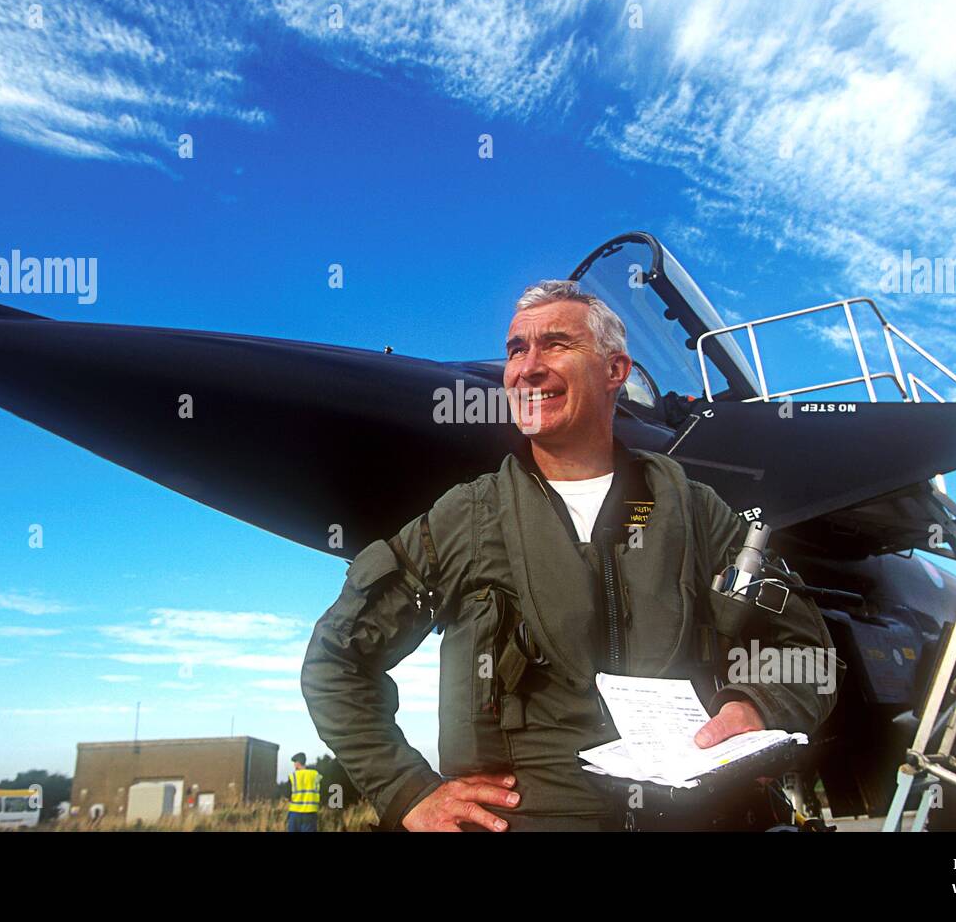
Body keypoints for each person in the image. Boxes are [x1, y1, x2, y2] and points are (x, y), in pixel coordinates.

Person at [302, 280, 836, 831]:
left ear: (615, 371)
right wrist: (407, 790)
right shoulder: (469, 516)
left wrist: (757, 705)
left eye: (555, 344)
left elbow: (808, 651)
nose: (526, 368)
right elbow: (337, 661)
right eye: (516, 350)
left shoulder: (697, 513)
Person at [285, 752, 321, 832]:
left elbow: (287, 794)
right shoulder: (315, 774)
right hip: (310, 813)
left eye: (294, 763)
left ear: (298, 763)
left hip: (295, 812)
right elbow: (321, 790)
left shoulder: (293, 776)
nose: (294, 765)